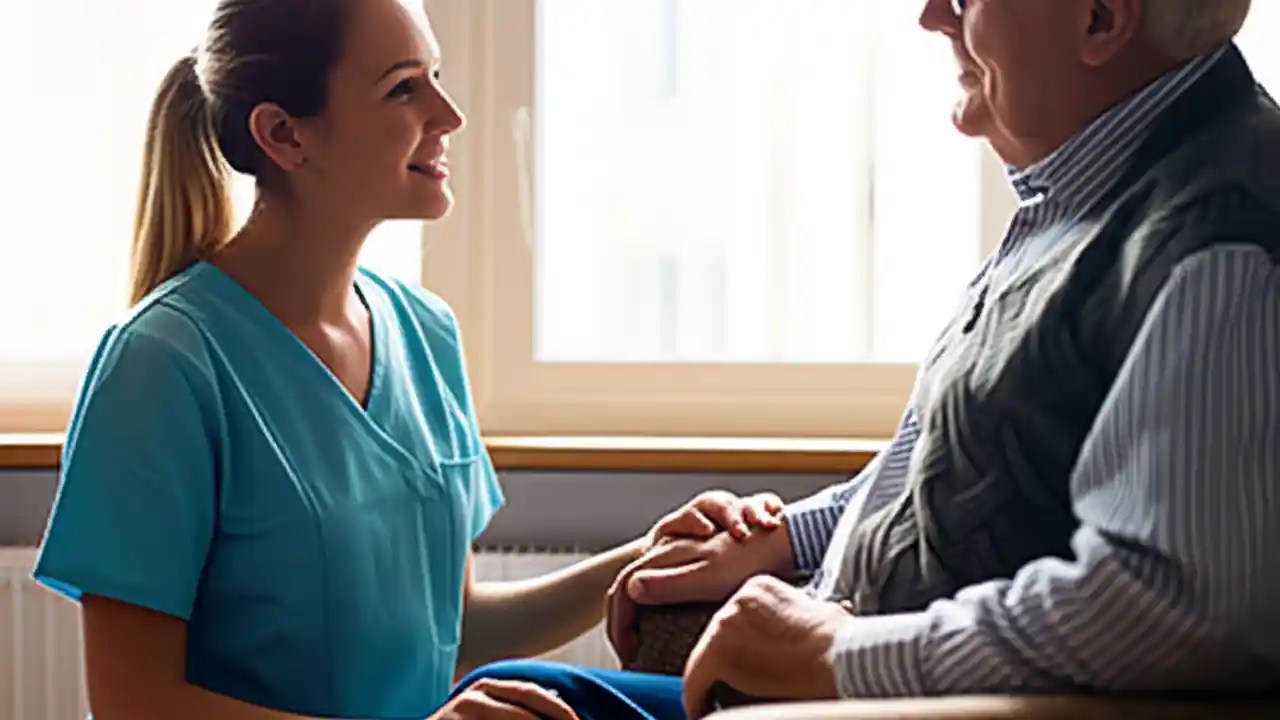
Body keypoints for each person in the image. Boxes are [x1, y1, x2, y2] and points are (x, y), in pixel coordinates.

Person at [458, 0, 1280, 717]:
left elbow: (1173, 601)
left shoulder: (1216, 238)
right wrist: (786, 540)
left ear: (1099, 17)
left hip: (894, 706)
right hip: (864, 691)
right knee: (515, 694)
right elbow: (954, 465)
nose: (931, 16)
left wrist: (840, 652)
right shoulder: (1090, 190)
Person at [31, 0, 783, 718]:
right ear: (285, 135)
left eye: (436, 77)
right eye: (402, 89)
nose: (449, 116)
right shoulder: (161, 365)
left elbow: (459, 628)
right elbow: (137, 703)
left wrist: (647, 555)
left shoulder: (425, 332)